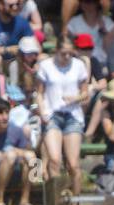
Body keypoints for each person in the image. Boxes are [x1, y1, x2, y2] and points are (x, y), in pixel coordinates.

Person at [37, 34, 90, 196]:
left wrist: (75, 98)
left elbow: (85, 92)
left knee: (73, 164)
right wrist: (42, 112)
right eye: (63, 53)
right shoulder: (46, 66)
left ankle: (76, 201)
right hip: (52, 113)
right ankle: (56, 202)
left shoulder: (79, 65)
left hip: (72, 115)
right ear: (56, 51)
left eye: (70, 53)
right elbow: (39, 93)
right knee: (54, 160)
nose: (67, 57)